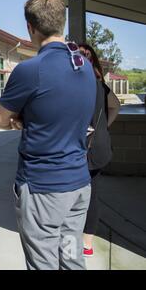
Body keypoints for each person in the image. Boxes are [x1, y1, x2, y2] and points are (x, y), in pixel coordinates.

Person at [0, 0, 96, 270]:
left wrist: (16, 120)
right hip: (78, 187)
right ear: (62, 23)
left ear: (30, 28)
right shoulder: (84, 66)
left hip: (44, 189)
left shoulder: (30, 70)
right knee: (72, 257)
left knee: (43, 263)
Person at [79, 43, 120, 257]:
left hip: (85, 149)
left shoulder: (82, 84)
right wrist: (104, 126)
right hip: (96, 148)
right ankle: (86, 243)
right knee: (92, 194)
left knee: (81, 195)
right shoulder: (99, 85)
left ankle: (81, 240)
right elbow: (116, 105)